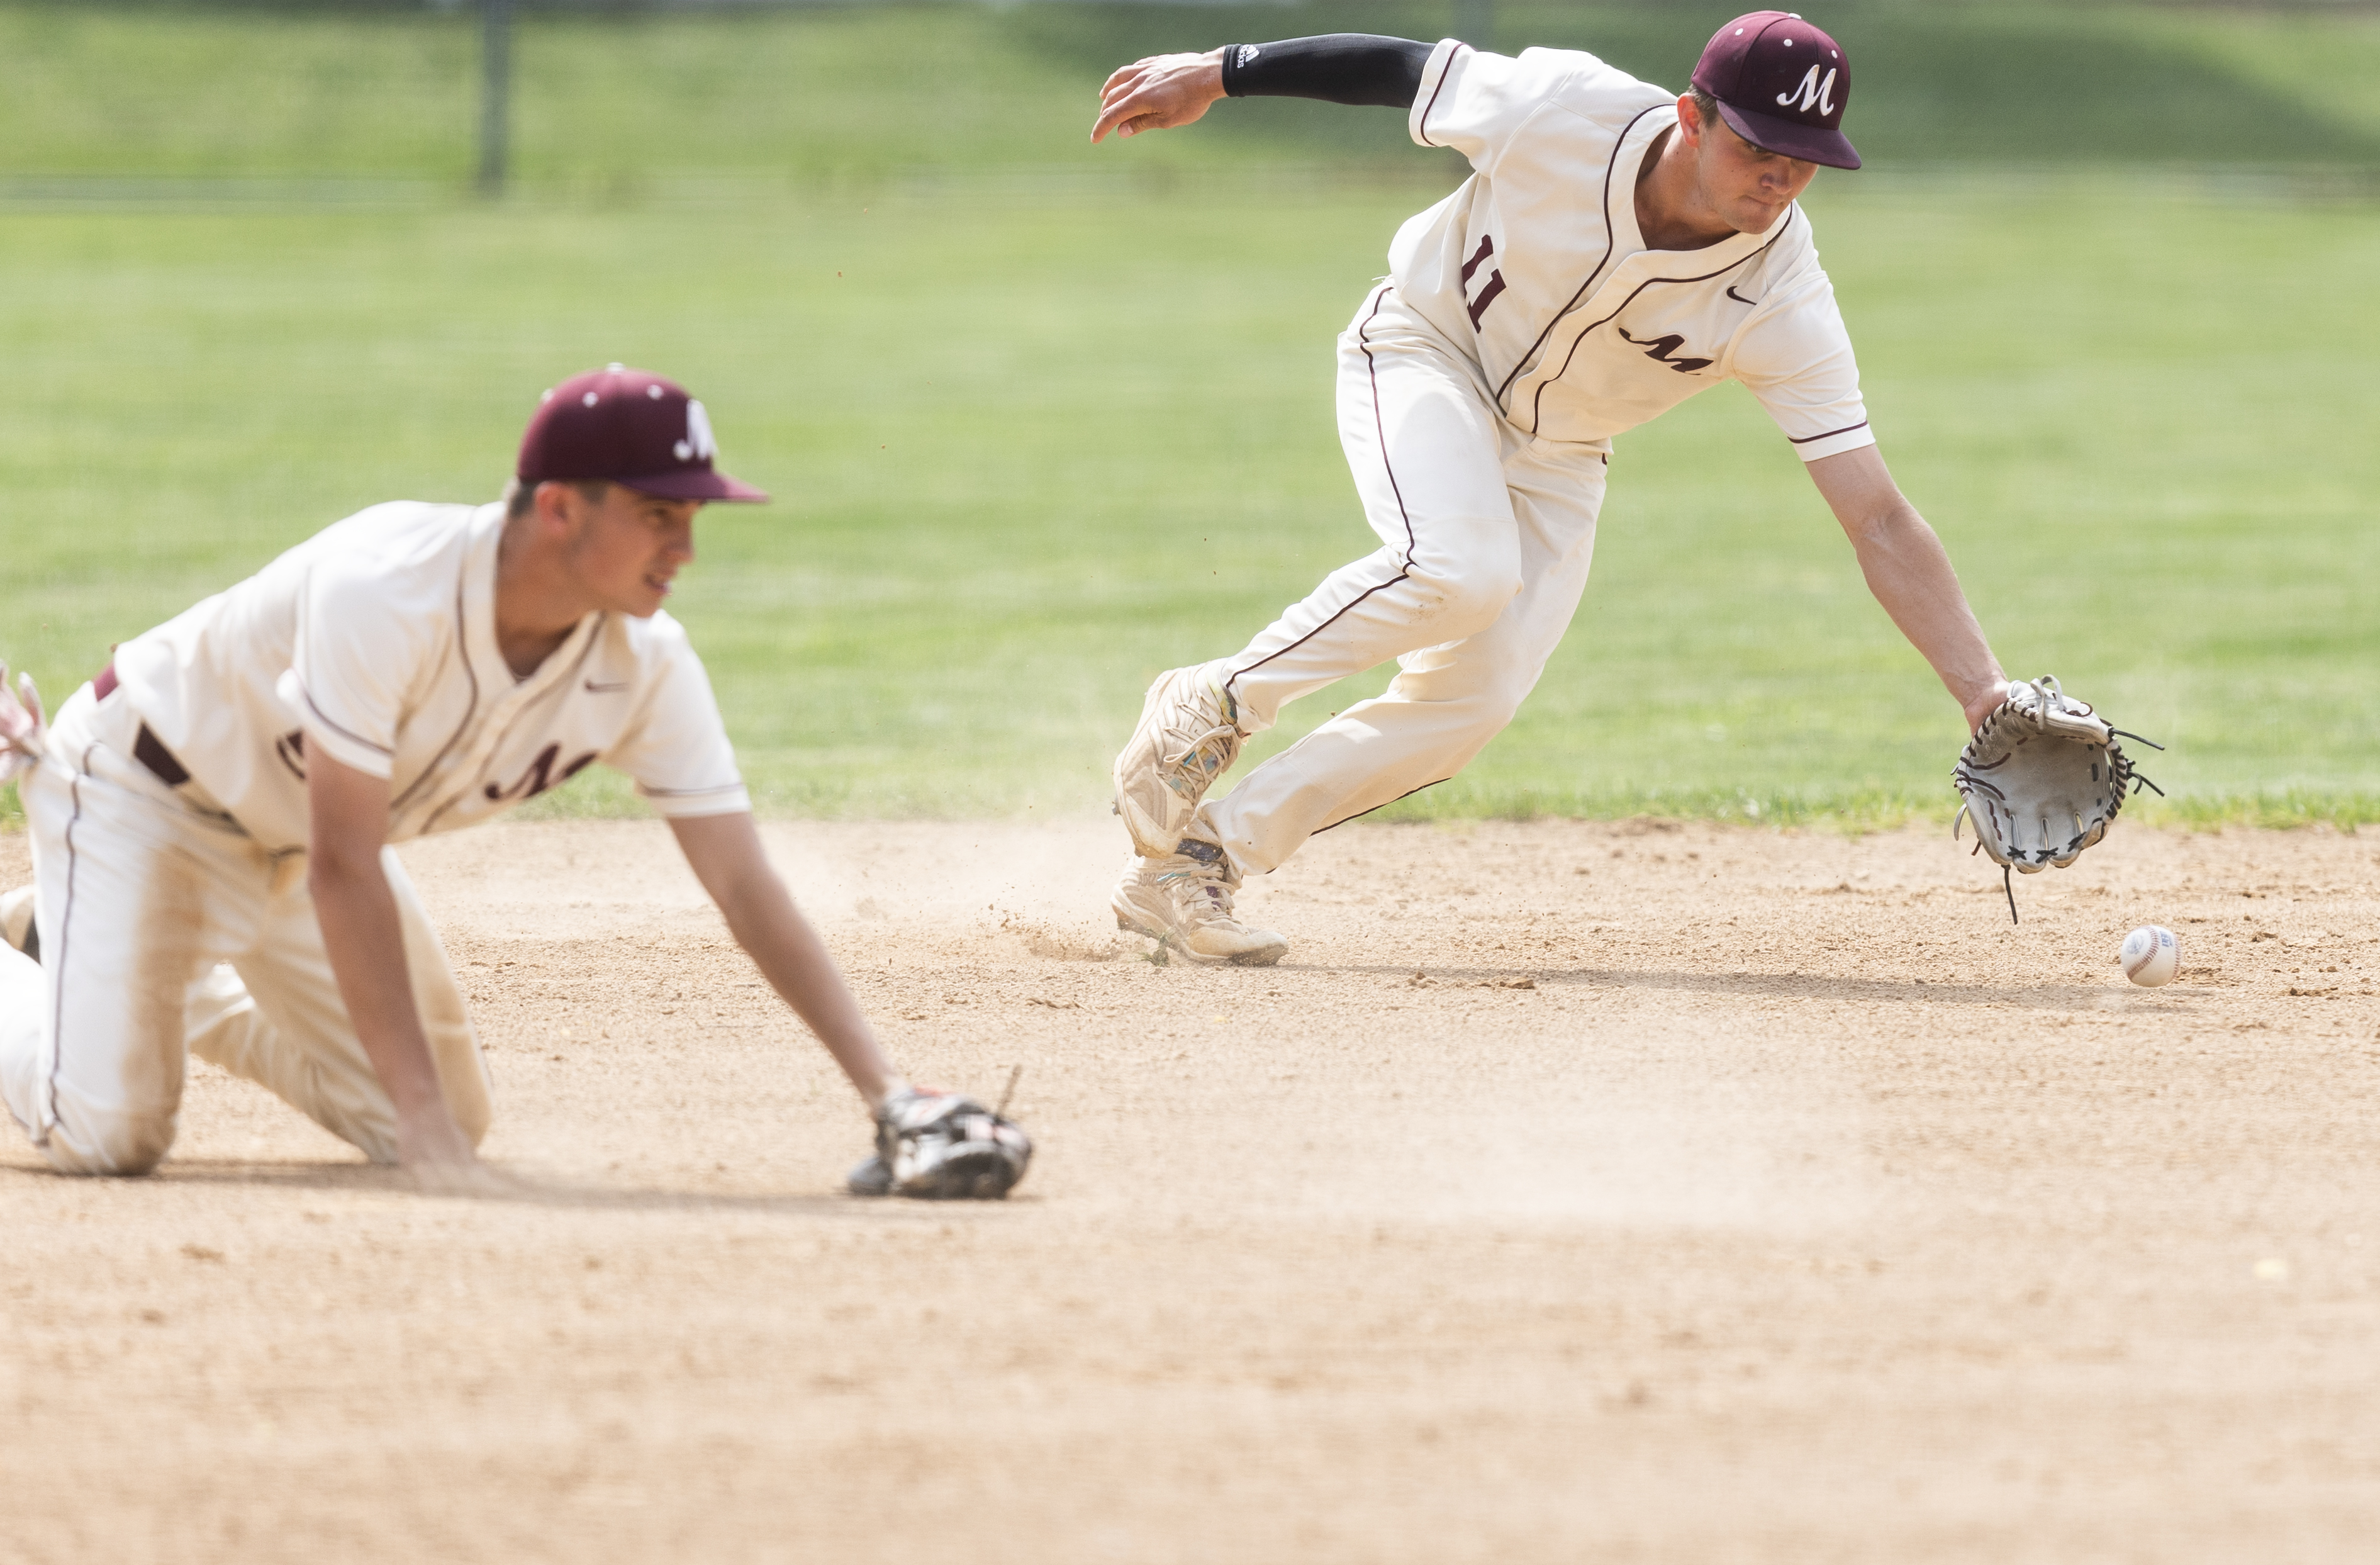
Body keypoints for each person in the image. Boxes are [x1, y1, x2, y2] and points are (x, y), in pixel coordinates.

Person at [1091, 14, 2009, 965]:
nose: (1780, 176)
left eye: (1806, 157)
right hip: (1423, 348)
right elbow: (1402, 71)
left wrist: (1982, 690)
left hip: (1563, 452)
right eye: (1760, 145)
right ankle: (1216, 700)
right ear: (1693, 119)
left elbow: (1879, 517)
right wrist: (1220, 74)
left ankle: (1196, 866)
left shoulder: (1781, 296)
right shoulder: (1567, 110)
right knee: (1458, 569)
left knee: (1471, 702)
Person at [0, 366, 1029, 1199]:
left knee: (440, 1108)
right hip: (143, 795)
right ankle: (90, 948)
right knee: (113, 1135)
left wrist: (886, 1092)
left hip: (292, 840)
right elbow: (349, 868)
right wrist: (427, 1139)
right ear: (557, 510)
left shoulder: (646, 664)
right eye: (661, 514)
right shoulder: (386, 587)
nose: (688, 548)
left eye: (694, 515)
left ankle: (95, 946)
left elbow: (747, 888)